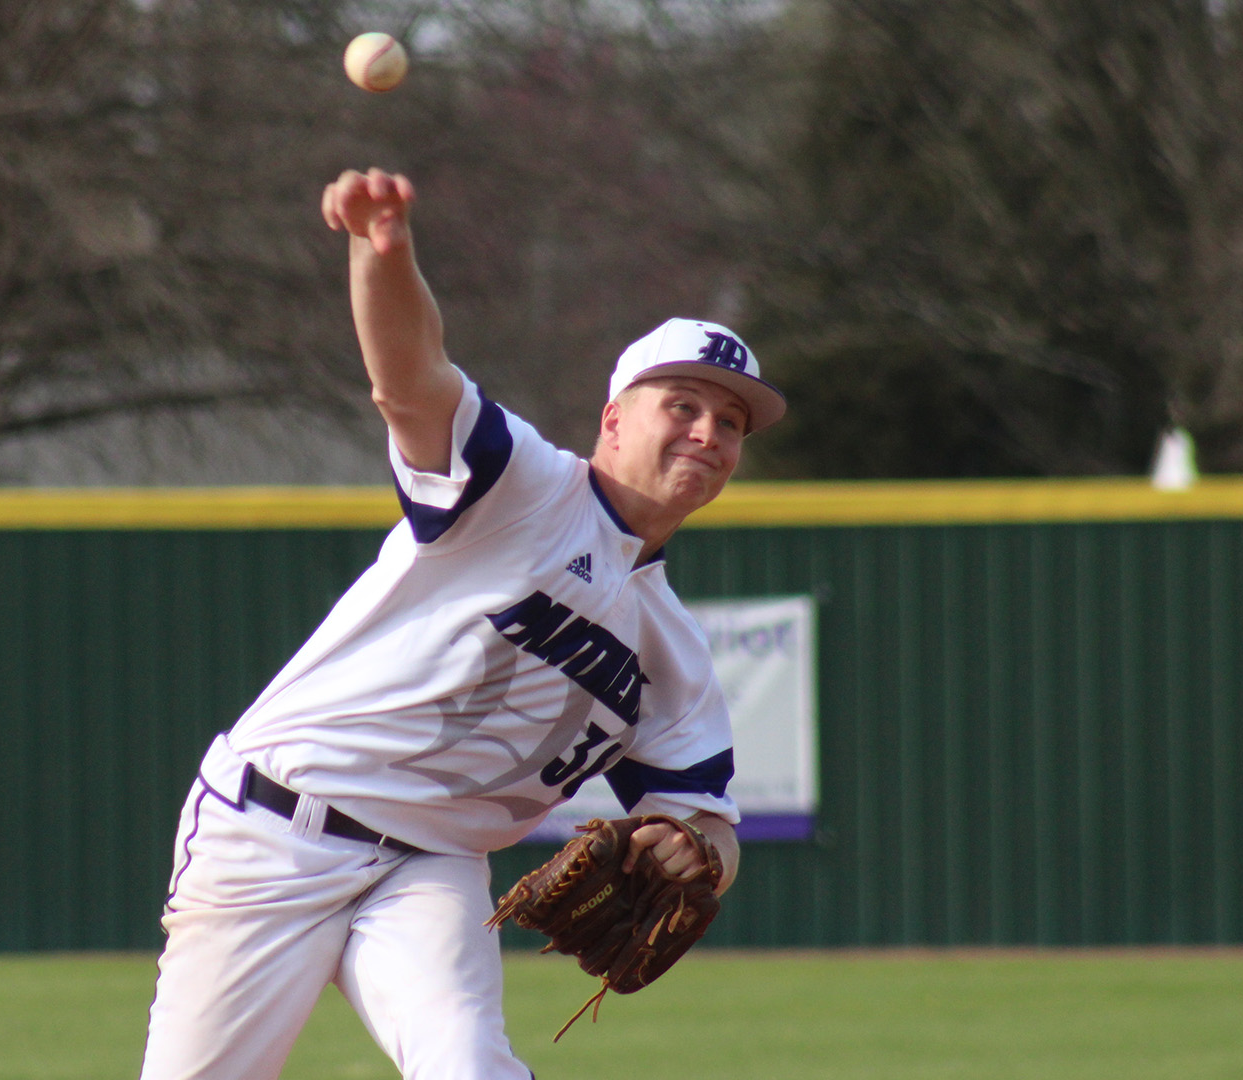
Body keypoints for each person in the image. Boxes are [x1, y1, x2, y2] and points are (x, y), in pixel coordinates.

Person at [137, 168, 788, 1080]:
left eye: (730, 422)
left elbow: (707, 822)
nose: (708, 433)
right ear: (612, 419)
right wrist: (382, 253)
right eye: (682, 406)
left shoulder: (672, 651)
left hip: (431, 871)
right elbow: (410, 382)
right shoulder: (522, 486)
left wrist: (695, 852)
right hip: (277, 826)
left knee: (470, 1069)